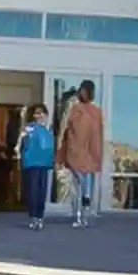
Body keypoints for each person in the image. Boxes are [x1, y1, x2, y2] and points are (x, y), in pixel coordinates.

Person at [56, 80, 103, 228]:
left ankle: (84, 214)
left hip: (88, 152)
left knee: (83, 182)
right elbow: (64, 127)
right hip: (75, 150)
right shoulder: (73, 107)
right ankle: (79, 213)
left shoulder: (96, 111)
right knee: (79, 182)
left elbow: (98, 133)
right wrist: (59, 146)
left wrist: (97, 152)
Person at [18, 103, 55, 230]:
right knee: (33, 190)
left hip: (44, 163)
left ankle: (40, 216)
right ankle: (33, 216)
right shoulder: (30, 128)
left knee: (42, 191)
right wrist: (22, 118)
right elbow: (22, 135)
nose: (40, 115)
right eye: (37, 113)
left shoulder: (48, 128)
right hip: (33, 163)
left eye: (42, 113)